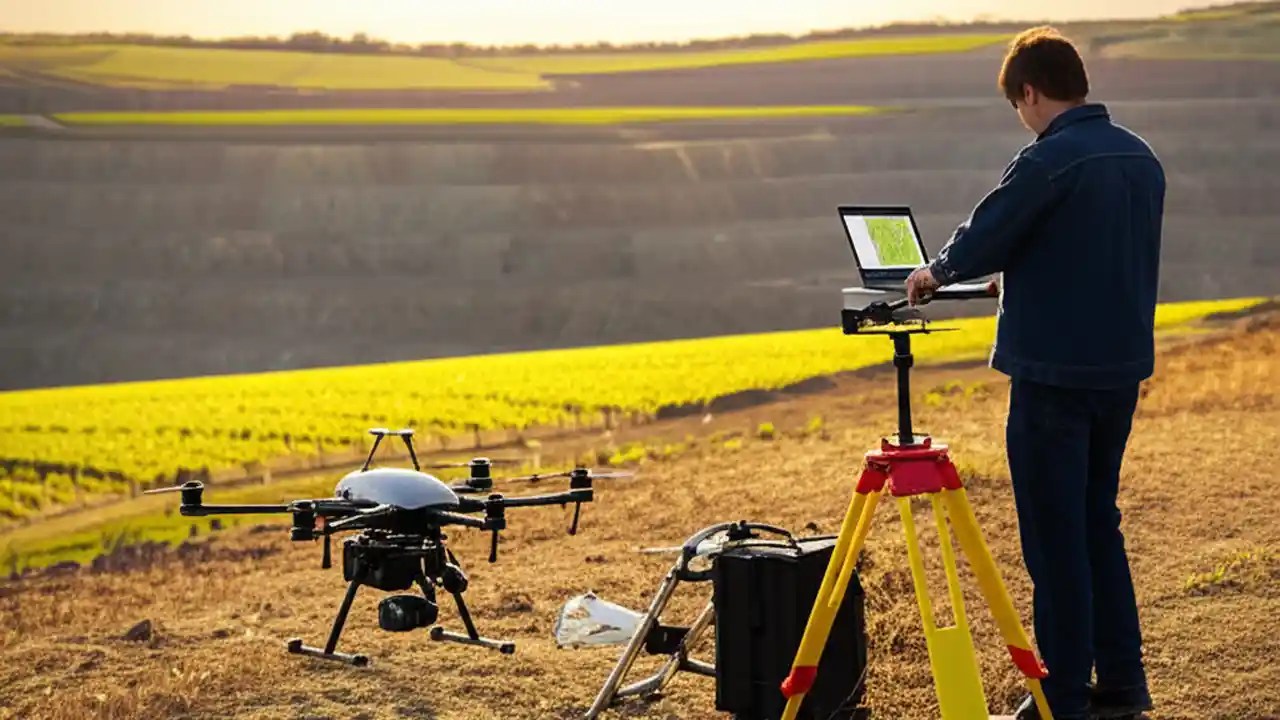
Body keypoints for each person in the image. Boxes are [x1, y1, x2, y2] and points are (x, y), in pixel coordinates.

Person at [904, 27, 1164, 720]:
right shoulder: (1140, 158)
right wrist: (1021, 280)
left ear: (1030, 91)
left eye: (1018, 104)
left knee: (1054, 541)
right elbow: (1091, 252)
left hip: (1054, 378)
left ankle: (1062, 698)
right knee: (1096, 526)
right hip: (1118, 374)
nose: (1021, 116)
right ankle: (1124, 687)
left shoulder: (1049, 160)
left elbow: (991, 227)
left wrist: (939, 271)